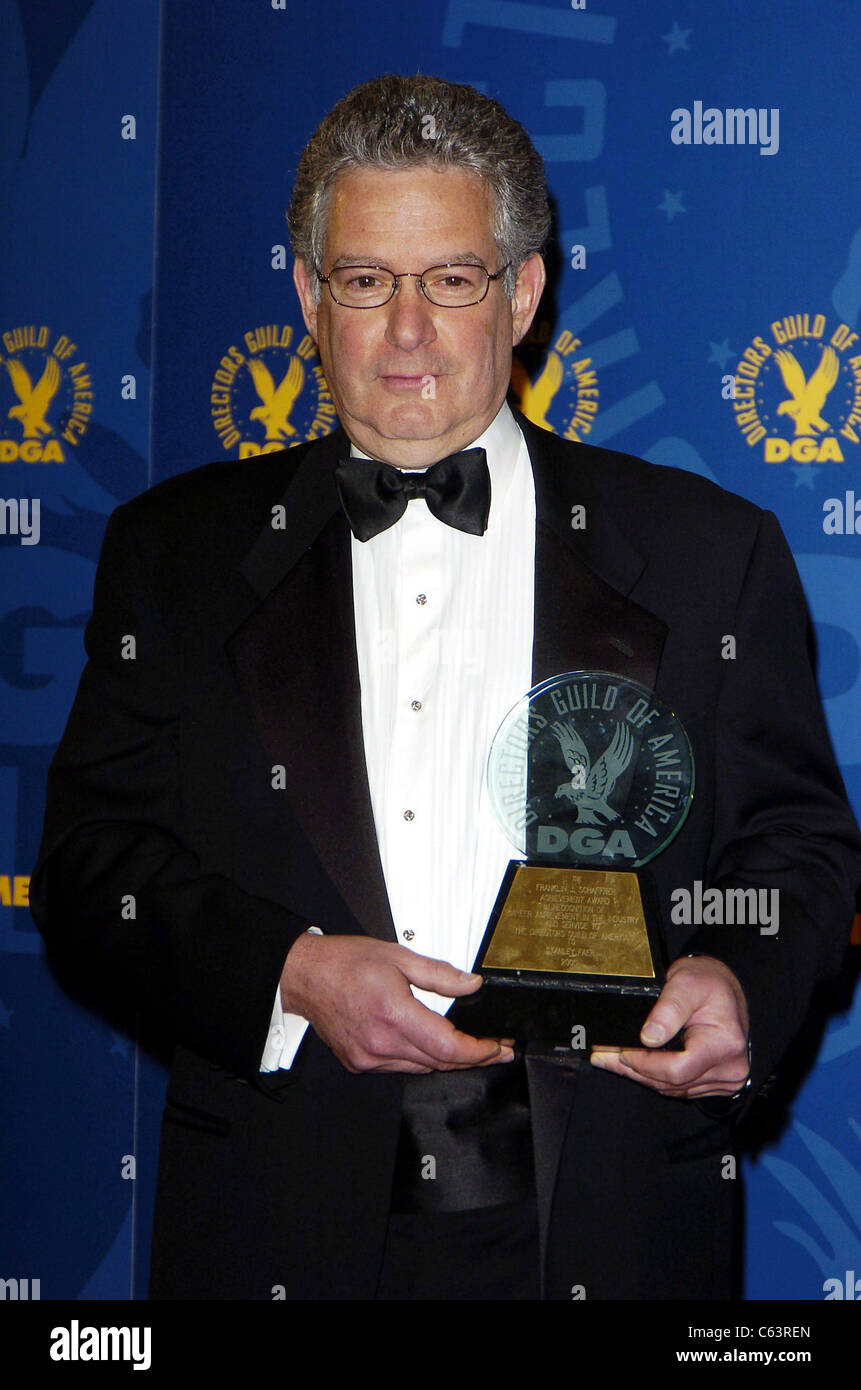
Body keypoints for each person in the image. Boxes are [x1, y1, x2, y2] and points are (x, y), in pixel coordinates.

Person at [32, 73, 861, 1301]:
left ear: (521, 293)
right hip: (280, 1217)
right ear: (313, 297)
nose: (407, 333)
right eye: (367, 281)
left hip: (609, 1215)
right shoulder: (177, 558)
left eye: (452, 280)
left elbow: (798, 850)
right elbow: (92, 870)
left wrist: (742, 978)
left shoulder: (705, 553)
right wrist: (291, 972)